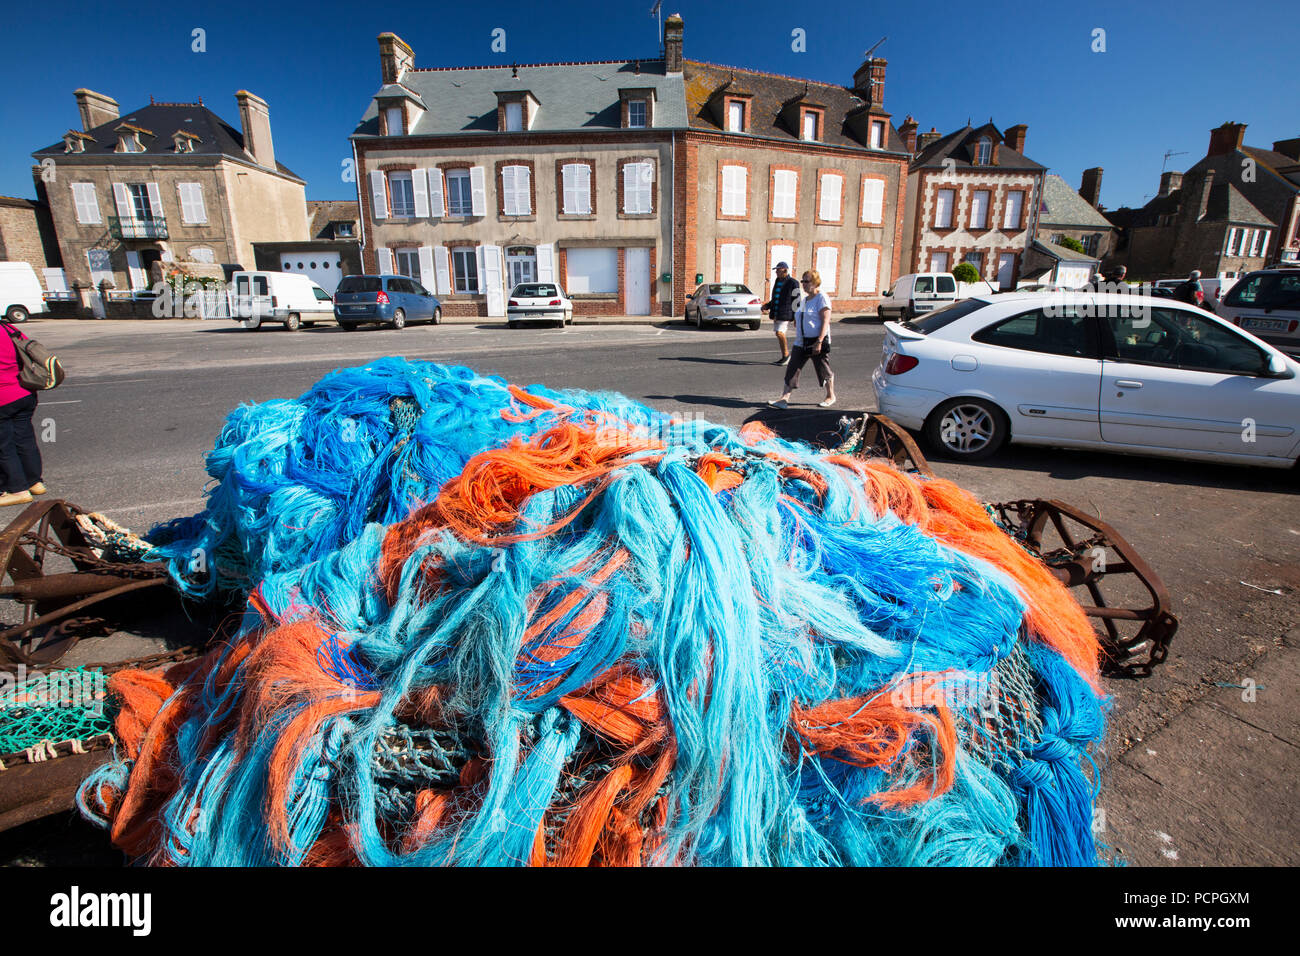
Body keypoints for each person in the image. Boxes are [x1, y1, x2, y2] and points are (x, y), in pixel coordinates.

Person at [768, 269, 835, 408]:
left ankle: (830, 396)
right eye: (802, 281)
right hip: (802, 341)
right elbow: (800, 317)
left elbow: (825, 320)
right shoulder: (805, 300)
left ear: (816, 282)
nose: (804, 284)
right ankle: (784, 398)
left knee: (823, 369)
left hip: (816, 340)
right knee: (792, 368)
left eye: (807, 281)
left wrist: (820, 341)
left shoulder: (821, 297)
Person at [0, 321, 45, 507]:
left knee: (4, 446)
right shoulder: (8, 328)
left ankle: (18, 489)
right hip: (24, 391)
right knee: (24, 439)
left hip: (3, 396)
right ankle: (34, 481)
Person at [760, 261, 799, 365]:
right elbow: (776, 298)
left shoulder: (793, 283)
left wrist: (796, 317)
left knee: (779, 332)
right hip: (777, 312)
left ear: (785, 270)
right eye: (776, 270)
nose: (776, 272)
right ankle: (784, 356)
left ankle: (786, 355)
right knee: (778, 334)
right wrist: (767, 306)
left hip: (785, 312)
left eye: (778, 270)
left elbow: (796, 301)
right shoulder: (778, 281)